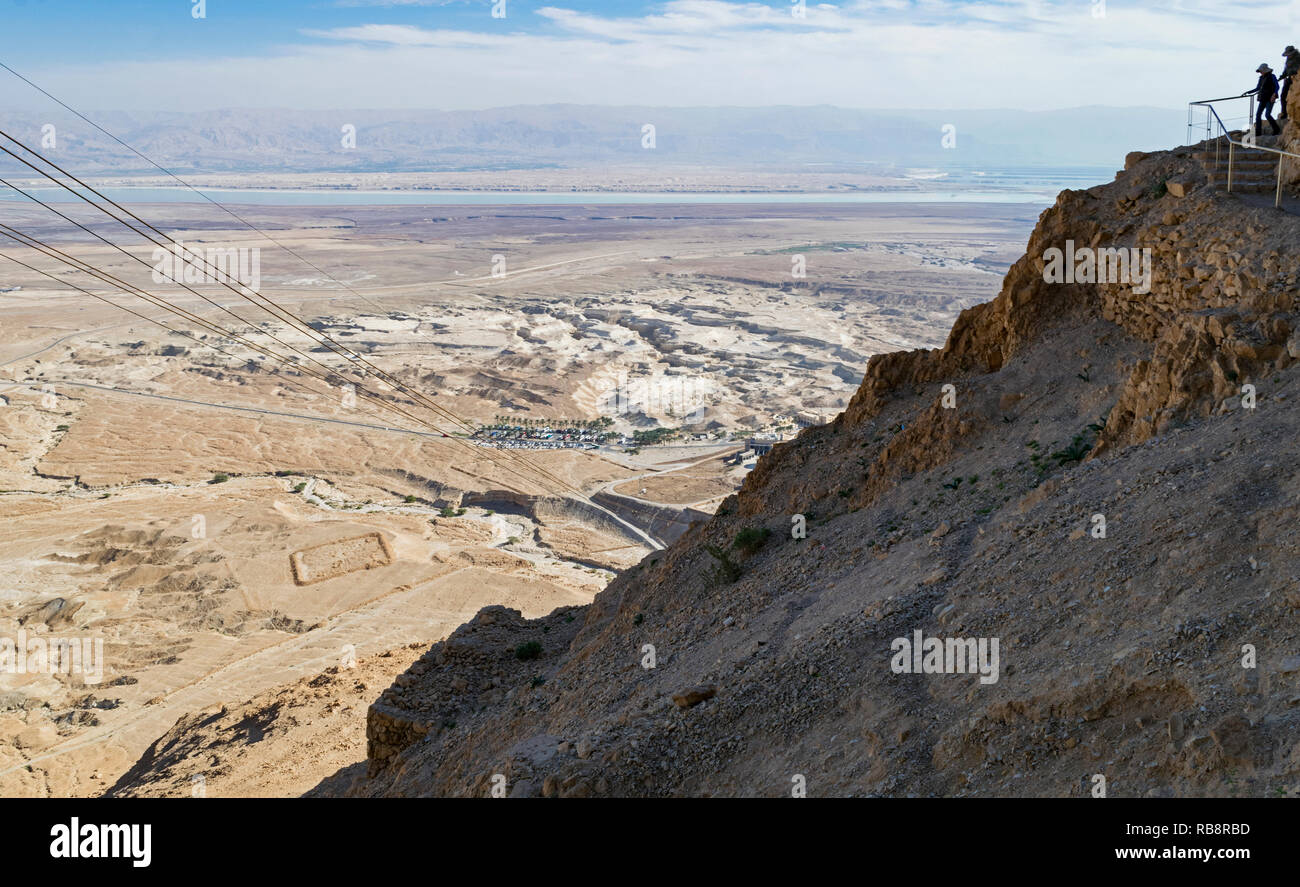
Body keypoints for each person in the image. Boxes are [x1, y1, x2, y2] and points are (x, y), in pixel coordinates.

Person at [1243, 62, 1282, 137]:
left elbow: (1277, 86)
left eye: (1261, 71)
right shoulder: (1261, 78)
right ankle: (1258, 132)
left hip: (1270, 98)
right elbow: (1258, 88)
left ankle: (1276, 129)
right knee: (1258, 115)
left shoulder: (1272, 76)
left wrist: (1274, 94)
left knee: (1267, 114)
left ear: (1265, 70)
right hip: (1263, 98)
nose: (1260, 72)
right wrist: (1248, 92)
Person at [1281, 46, 1300, 120]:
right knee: (1283, 96)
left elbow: (1297, 69)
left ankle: (1292, 114)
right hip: (1289, 79)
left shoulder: (1298, 58)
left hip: (1296, 79)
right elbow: (1286, 69)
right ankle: (1284, 113)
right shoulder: (1288, 59)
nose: (1288, 56)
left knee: (1294, 97)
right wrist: (1283, 75)